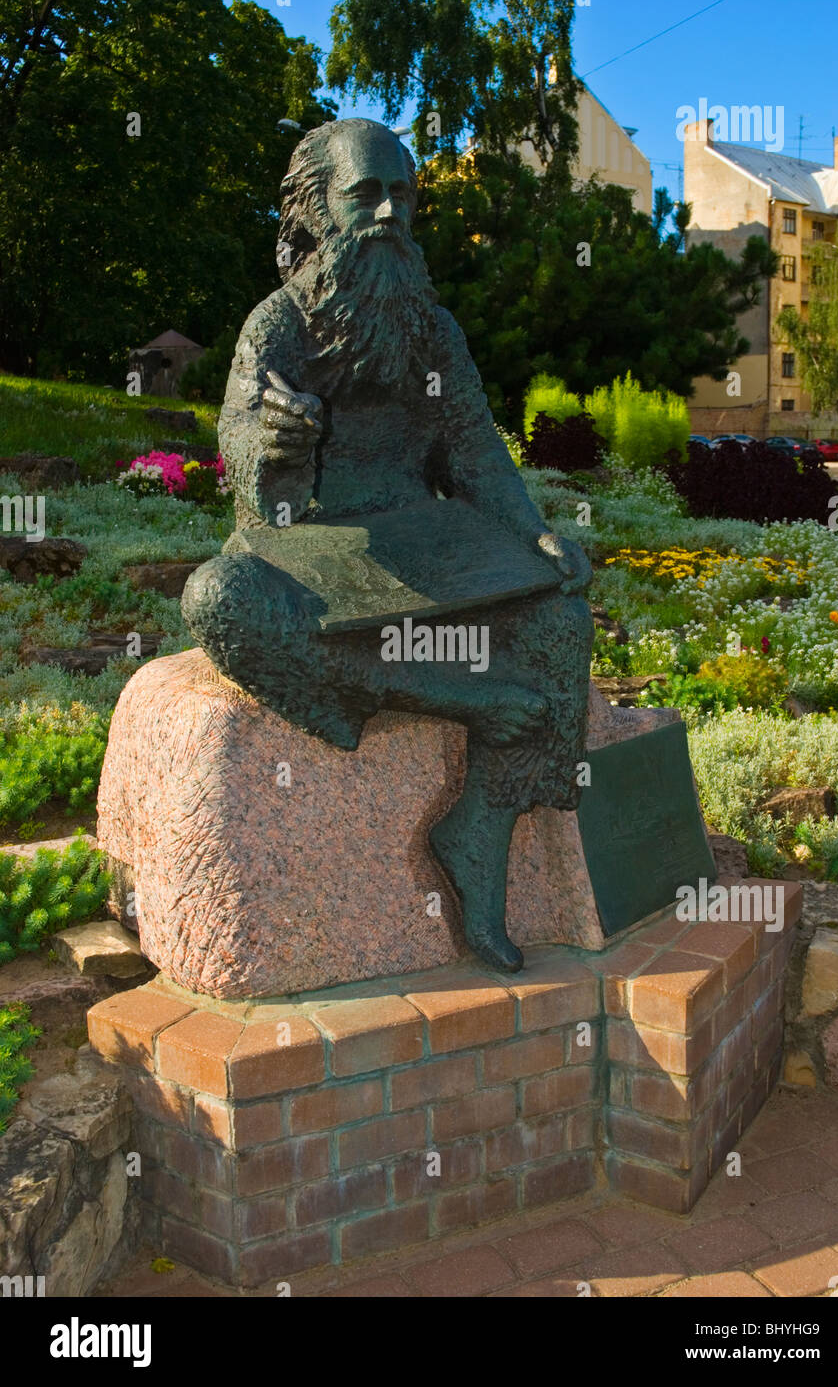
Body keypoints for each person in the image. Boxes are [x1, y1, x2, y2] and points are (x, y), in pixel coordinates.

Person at [182, 119, 594, 972]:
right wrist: (277, 441)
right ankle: (451, 693)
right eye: (364, 194)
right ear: (316, 212)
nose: (386, 213)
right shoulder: (277, 327)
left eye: (401, 195)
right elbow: (242, 452)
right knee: (218, 601)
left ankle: (479, 831)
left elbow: (477, 454)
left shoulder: (431, 329)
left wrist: (538, 534)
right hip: (313, 560)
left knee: (560, 615)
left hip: (428, 558)